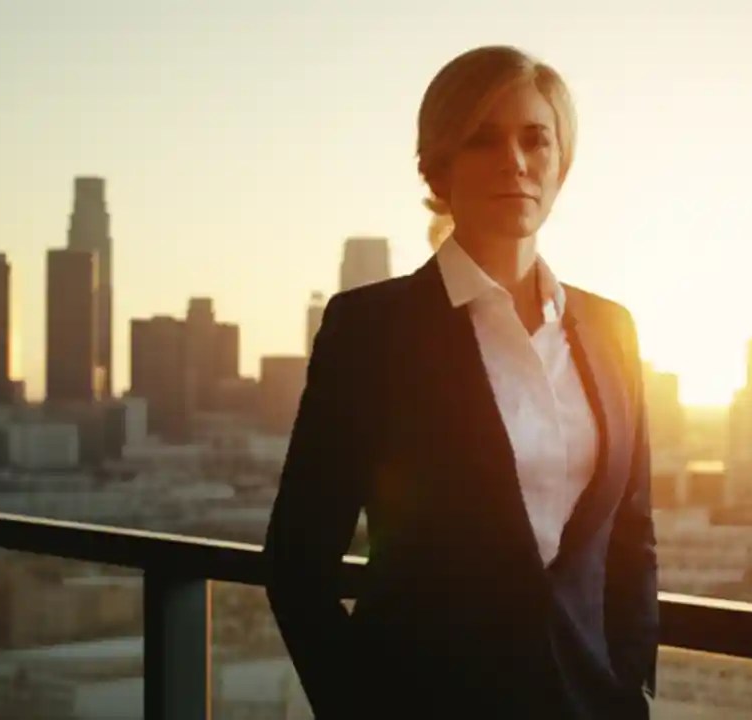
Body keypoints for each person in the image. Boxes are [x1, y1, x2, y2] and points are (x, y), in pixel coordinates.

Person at [264, 44, 659, 719]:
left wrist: (629, 684)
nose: (515, 160)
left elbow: (631, 535)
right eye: (483, 139)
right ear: (438, 166)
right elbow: (296, 561)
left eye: (536, 139)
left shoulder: (612, 329)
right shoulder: (371, 330)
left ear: (561, 162)